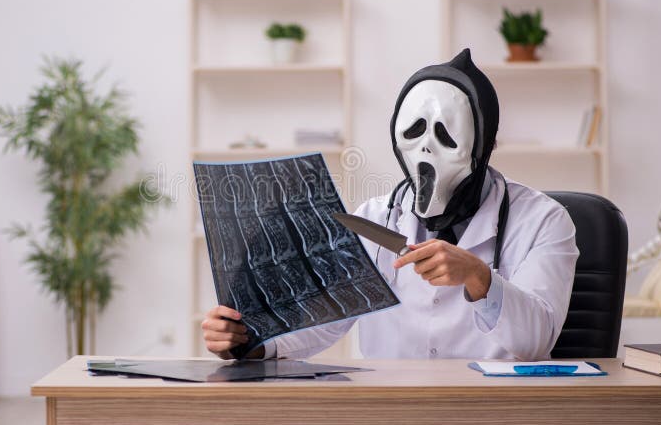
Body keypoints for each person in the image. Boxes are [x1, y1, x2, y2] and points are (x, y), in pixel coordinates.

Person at [201, 49, 578, 361]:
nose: (426, 148)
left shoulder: (544, 221)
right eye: (414, 132)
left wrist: (479, 277)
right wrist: (250, 338)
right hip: (388, 414)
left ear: (483, 145)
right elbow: (323, 320)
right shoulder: (374, 218)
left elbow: (536, 343)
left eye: (446, 135)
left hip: (493, 417)